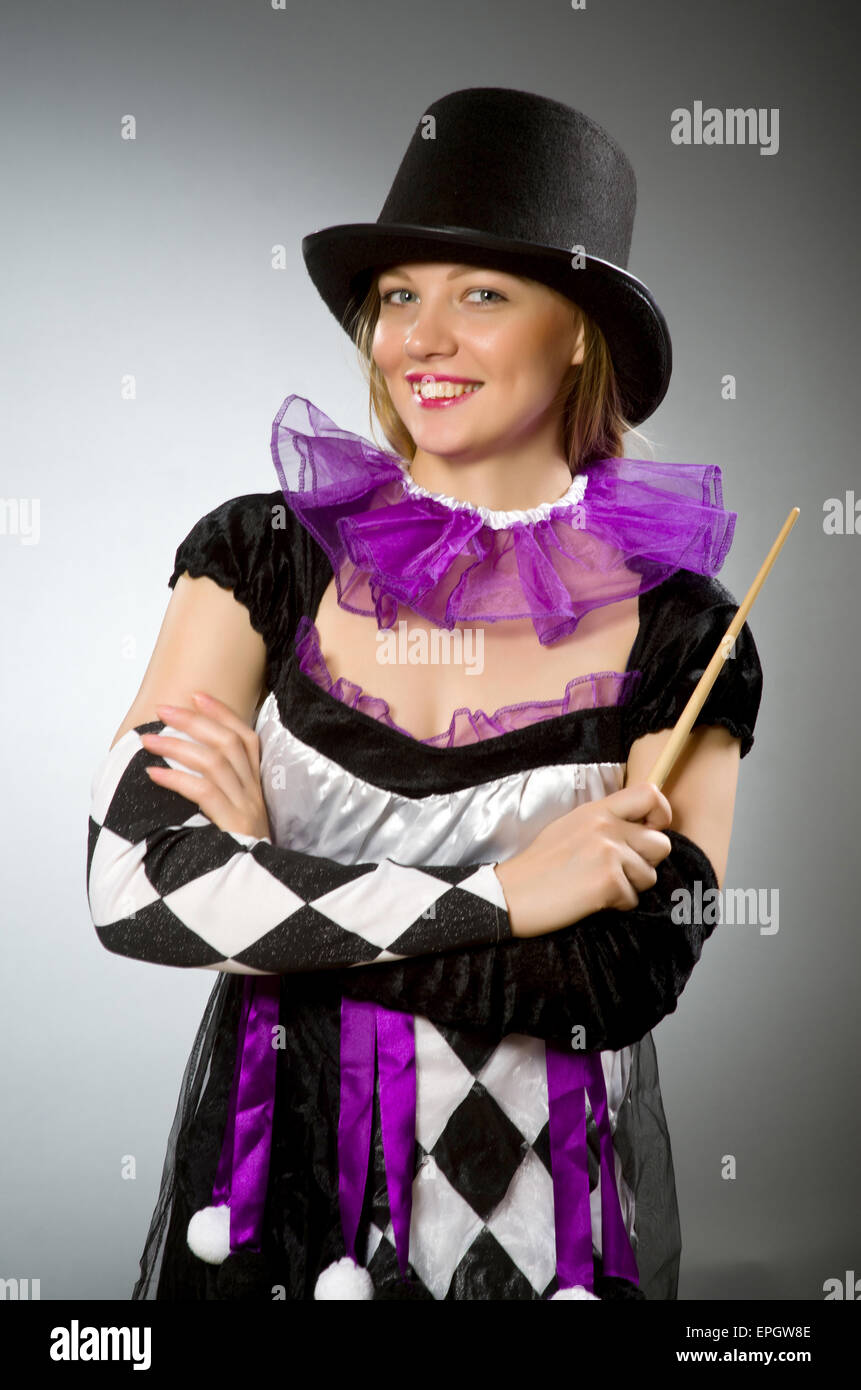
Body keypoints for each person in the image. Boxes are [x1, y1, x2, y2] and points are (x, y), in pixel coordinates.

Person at [86, 87, 763, 1301]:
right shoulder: (262, 557)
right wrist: (513, 892)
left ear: (577, 331)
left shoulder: (685, 632)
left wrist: (268, 897)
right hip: (278, 1194)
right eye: (399, 294)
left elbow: (620, 980)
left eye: (481, 295)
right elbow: (136, 885)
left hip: (540, 1227)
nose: (418, 339)